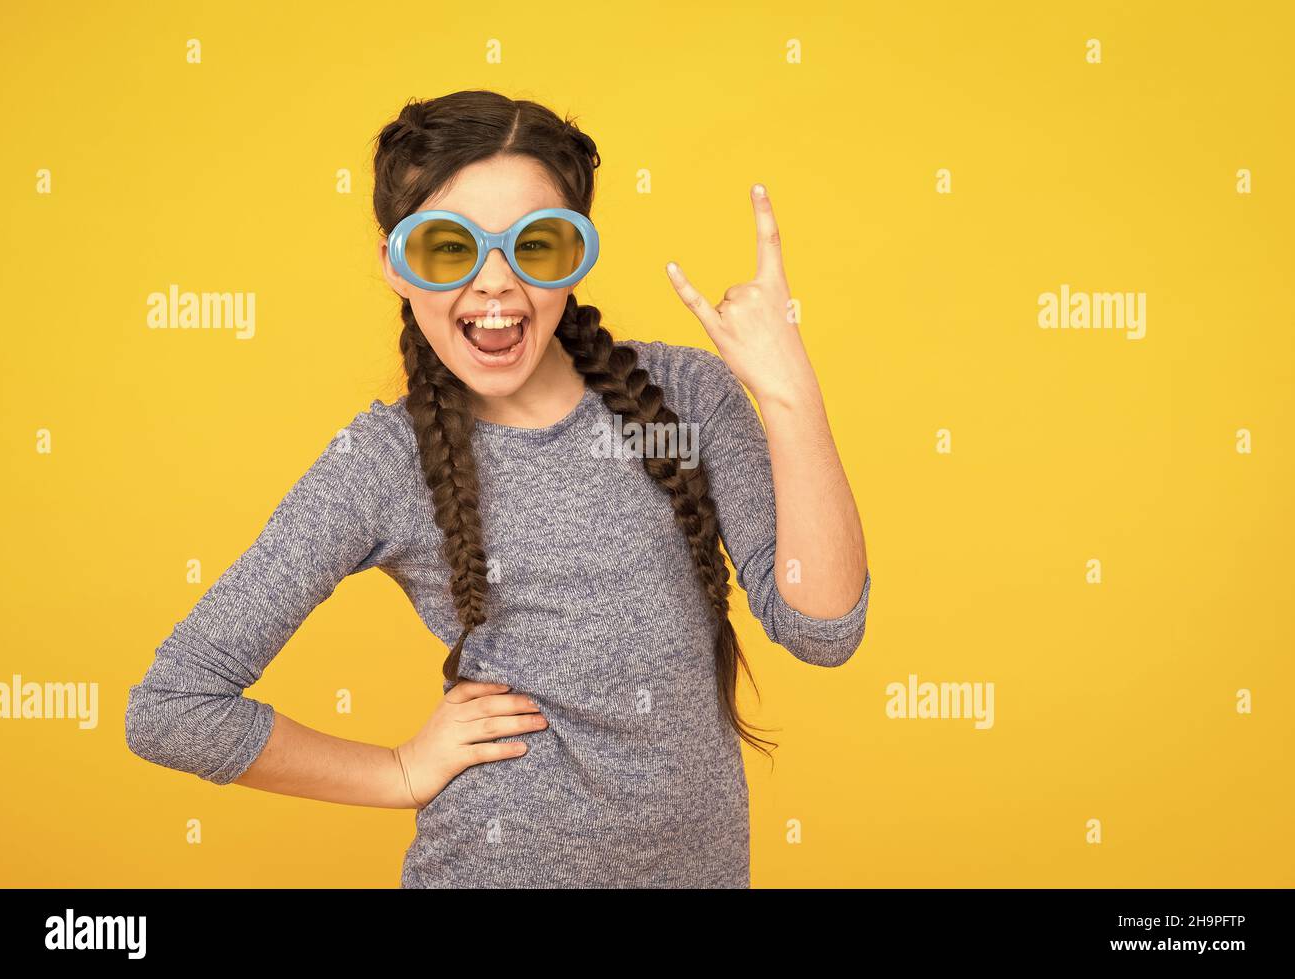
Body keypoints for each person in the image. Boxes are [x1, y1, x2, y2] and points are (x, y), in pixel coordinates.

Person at [124, 89, 872, 888]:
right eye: (449, 248)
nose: (493, 285)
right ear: (394, 264)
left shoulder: (687, 399)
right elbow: (174, 705)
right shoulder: (384, 460)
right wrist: (400, 771)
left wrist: (789, 393)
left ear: (578, 252)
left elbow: (823, 629)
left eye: (535, 245)